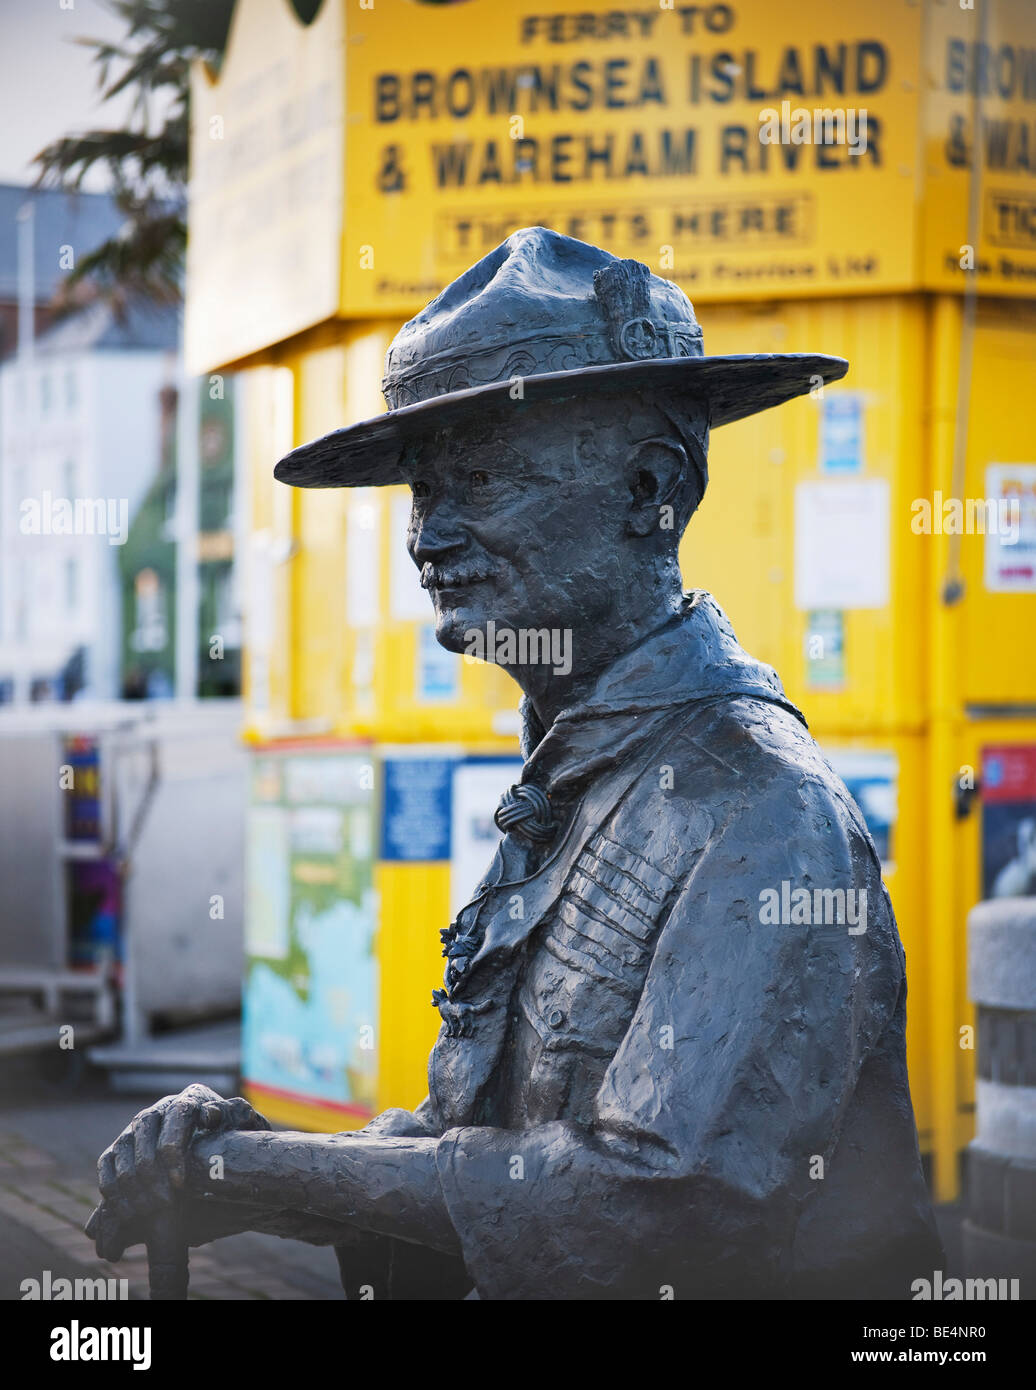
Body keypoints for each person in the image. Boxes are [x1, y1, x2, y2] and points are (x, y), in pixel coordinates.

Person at [88, 228, 941, 1299]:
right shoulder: (586, 774)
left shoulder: (761, 809)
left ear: (648, 489)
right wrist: (267, 1169)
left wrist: (270, 1169)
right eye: (421, 491)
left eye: (480, 479)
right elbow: (487, 1141)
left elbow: (660, 1213)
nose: (426, 538)